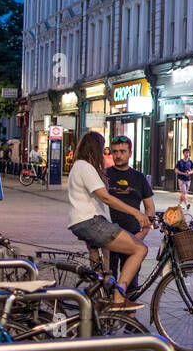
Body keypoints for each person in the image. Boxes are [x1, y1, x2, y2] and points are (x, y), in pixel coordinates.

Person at [66, 131, 149, 310]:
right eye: (106, 150)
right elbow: (106, 198)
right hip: (92, 223)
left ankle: (98, 307)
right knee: (140, 249)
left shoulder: (79, 167)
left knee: (103, 274)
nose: (108, 155)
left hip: (86, 223)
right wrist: (137, 213)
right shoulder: (86, 167)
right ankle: (119, 298)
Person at [105, 135, 155, 293]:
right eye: (115, 152)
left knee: (131, 285)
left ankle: (127, 317)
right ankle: (107, 316)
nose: (118, 155)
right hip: (108, 234)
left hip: (132, 234)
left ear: (130, 153)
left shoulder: (139, 177)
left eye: (122, 151)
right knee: (108, 283)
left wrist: (143, 233)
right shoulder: (104, 175)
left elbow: (149, 208)